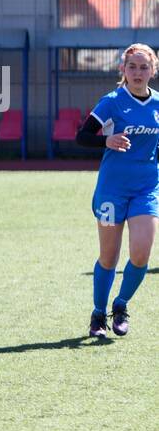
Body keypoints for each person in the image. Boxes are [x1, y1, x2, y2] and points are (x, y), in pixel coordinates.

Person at [75, 43, 159, 338]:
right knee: (109, 257)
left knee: (140, 254)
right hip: (112, 190)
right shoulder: (111, 102)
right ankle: (98, 314)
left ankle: (120, 305)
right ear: (123, 70)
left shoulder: (158, 105)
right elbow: (82, 137)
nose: (138, 72)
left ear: (153, 70)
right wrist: (106, 141)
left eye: (144, 67)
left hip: (146, 189)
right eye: (132, 67)